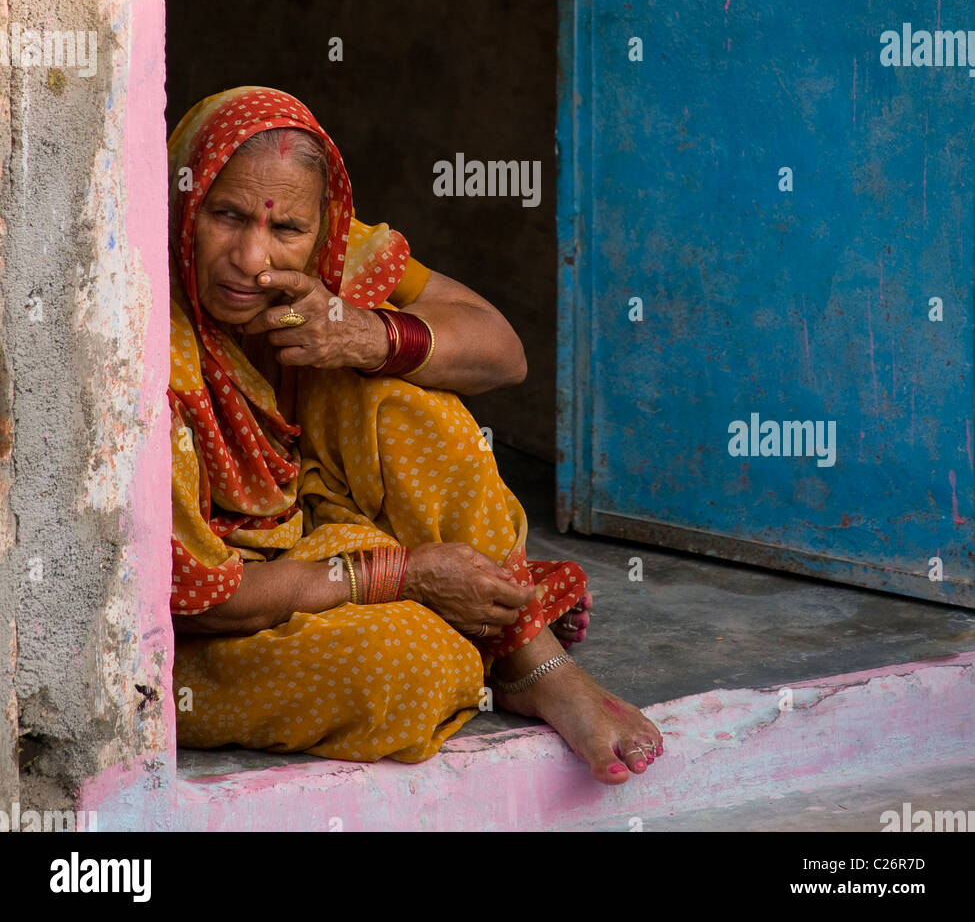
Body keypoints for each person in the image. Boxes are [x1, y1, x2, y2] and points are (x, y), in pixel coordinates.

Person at [169, 86, 662, 782]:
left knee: (401, 393)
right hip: (196, 627)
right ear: (182, 205)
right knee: (409, 669)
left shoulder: (335, 257)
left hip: (314, 536)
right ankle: (492, 635)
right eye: (225, 216)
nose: (252, 257)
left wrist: (364, 333)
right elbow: (200, 599)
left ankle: (529, 658)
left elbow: (503, 353)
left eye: (285, 231)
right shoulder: (142, 338)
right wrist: (404, 575)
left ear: (321, 228)